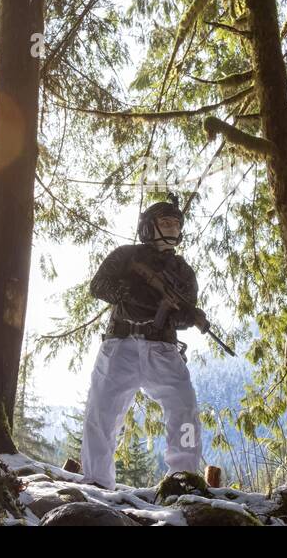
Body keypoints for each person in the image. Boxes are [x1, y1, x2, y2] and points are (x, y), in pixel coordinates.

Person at [80, 195, 206, 489]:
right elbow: (98, 286)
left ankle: (184, 477)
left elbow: (183, 319)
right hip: (120, 343)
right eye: (165, 222)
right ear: (148, 227)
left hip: (162, 347)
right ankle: (97, 481)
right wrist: (135, 293)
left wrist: (187, 314)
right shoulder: (126, 256)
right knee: (102, 412)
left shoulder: (184, 272)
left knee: (184, 409)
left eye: (176, 223)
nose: (172, 228)